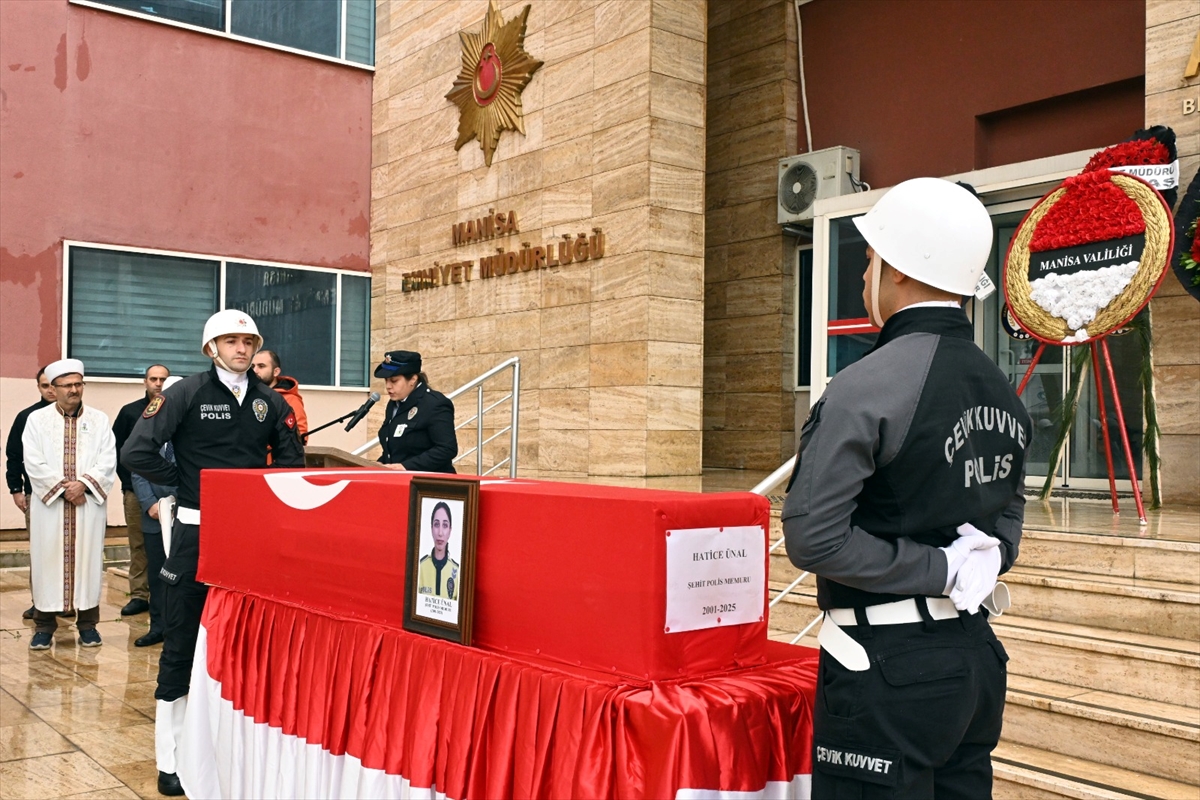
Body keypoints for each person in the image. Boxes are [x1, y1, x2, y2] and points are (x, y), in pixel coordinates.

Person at [782, 178, 1031, 798]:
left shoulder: (865, 387)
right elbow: (1007, 517)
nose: (865, 273)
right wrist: (980, 561)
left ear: (895, 269)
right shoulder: (1002, 390)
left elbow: (812, 538)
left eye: (868, 259)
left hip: (887, 669)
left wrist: (937, 569)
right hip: (973, 660)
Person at [121, 310, 304, 797]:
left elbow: (290, 465)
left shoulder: (271, 401)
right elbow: (136, 453)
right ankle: (171, 757)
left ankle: (229, 743)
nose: (241, 349)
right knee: (181, 639)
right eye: (230, 341)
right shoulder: (183, 394)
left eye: (248, 341)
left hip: (251, 540)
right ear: (211, 348)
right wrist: (185, 486)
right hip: (195, 535)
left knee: (246, 640)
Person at [22, 359, 117, 650]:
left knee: (88, 562)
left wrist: (84, 485)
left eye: (78, 384)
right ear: (53, 388)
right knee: (46, 562)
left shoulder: (99, 420)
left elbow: (108, 458)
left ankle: (88, 626)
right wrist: (64, 489)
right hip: (49, 509)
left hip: (87, 505)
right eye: (67, 385)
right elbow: (33, 462)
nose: (74, 390)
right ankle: (44, 627)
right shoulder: (37, 420)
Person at [111, 364, 170, 617]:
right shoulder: (130, 412)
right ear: (145, 381)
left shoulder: (178, 410)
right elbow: (118, 450)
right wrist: (131, 483)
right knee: (139, 543)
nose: (158, 384)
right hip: (136, 491)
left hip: (171, 493)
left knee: (167, 545)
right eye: (153, 379)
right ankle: (139, 594)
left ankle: (164, 595)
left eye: (163, 380)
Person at [129, 376, 182, 648]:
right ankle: (158, 627)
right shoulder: (149, 428)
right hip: (153, 515)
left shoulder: (194, 433)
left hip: (186, 514)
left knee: (185, 577)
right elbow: (138, 468)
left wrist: (180, 505)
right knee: (157, 576)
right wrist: (150, 503)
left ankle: (182, 631)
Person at [5, 366, 55, 620]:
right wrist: (16, 489)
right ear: (38, 388)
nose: (50, 390)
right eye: (44, 385)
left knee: (68, 551)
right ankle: (41, 602)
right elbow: (14, 456)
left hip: (74, 497)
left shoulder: (82, 418)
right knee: (40, 550)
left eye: (52, 384)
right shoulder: (27, 417)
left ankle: (67, 602)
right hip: (36, 497)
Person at [374, 350, 457, 473]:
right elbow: (397, 449)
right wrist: (380, 464)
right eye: (386, 380)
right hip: (400, 482)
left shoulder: (434, 403)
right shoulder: (394, 404)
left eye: (394, 380)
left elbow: (447, 449)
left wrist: (406, 466)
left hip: (430, 485)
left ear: (413, 379)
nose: (388, 386)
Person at [250, 349, 308, 438]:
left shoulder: (289, 399)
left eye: (261, 366)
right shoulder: (247, 395)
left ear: (276, 372)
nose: (255, 370)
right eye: (252, 366)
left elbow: (299, 435)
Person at [417, 501, 459, 599]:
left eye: (445, 525)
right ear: (431, 528)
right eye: (436, 524)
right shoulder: (420, 567)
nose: (440, 533)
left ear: (450, 531)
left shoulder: (457, 571)